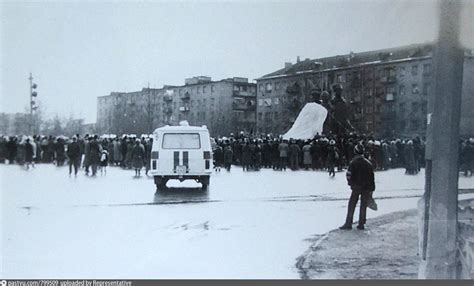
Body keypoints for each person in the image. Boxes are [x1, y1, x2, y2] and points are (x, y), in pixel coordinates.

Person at [340, 143, 375, 230]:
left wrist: (351, 183)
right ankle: (361, 223)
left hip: (356, 187)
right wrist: (371, 188)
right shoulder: (368, 163)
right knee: (363, 205)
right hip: (366, 187)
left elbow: (349, 175)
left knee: (352, 204)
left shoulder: (353, 162)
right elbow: (372, 177)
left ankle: (348, 223)